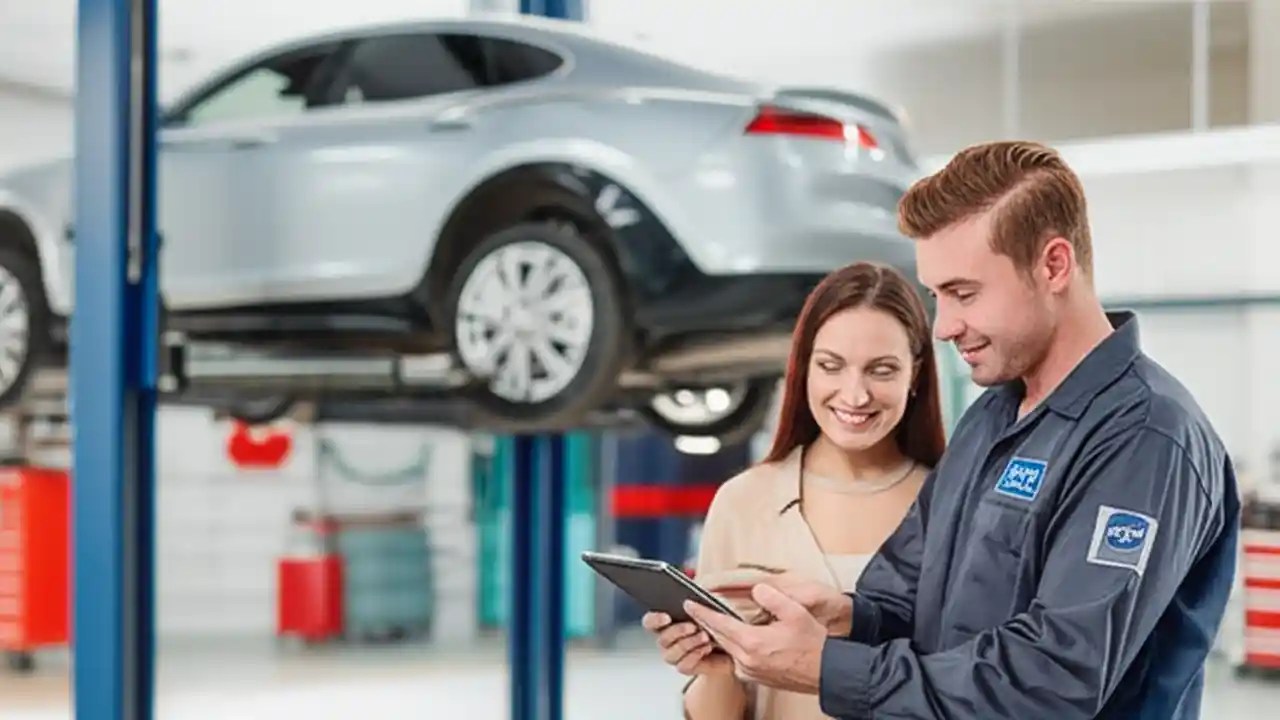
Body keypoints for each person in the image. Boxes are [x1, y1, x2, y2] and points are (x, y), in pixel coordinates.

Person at [677, 140, 1241, 719]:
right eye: (935, 295)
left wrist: (826, 669)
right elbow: (907, 590)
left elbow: (1053, 680)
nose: (943, 326)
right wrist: (845, 615)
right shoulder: (993, 416)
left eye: (963, 294)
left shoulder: (1146, 438)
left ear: (1053, 265)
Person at [642, 260, 948, 719]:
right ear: (804, 367)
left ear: (915, 374)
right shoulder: (743, 502)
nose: (855, 394)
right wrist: (715, 669)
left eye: (881, 370)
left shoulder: (952, 505)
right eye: (831, 366)